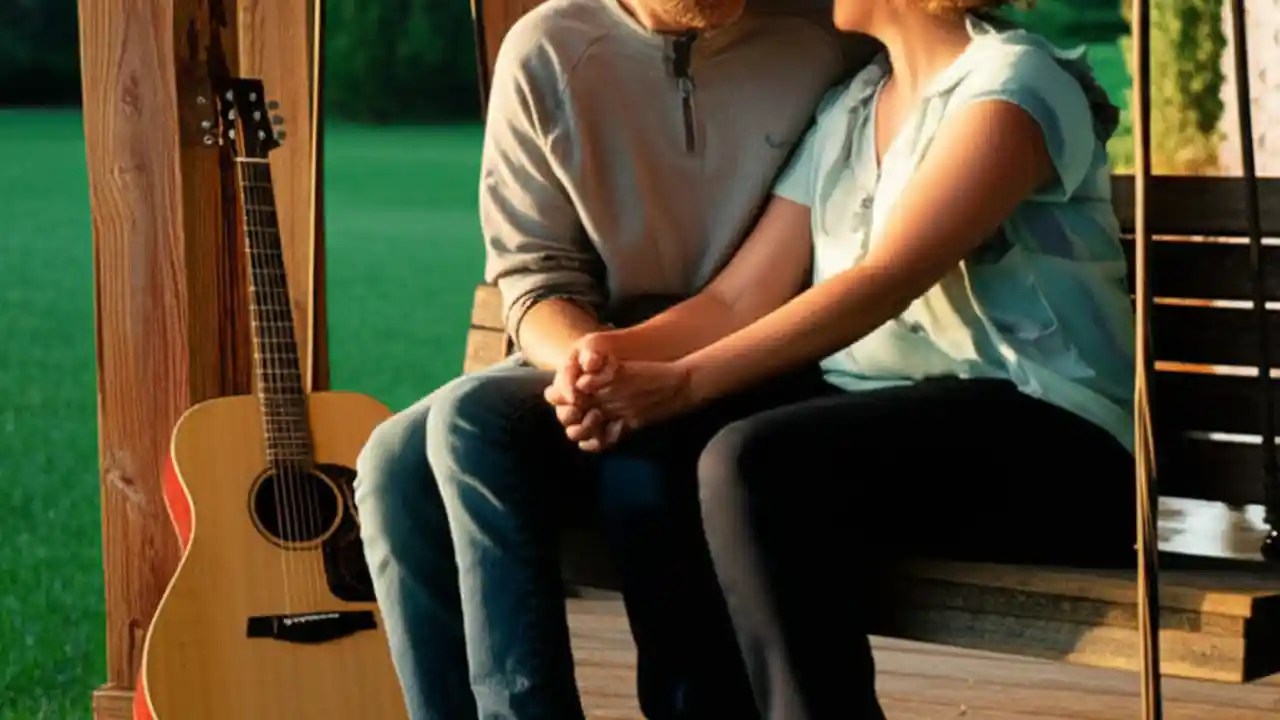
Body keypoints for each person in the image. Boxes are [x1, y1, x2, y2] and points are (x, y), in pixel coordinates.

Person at [549, 1, 1137, 718]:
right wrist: (604, 356)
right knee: (654, 452)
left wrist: (683, 383)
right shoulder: (854, 107)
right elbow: (738, 298)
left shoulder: (1015, 87)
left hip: (1051, 444)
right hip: (889, 436)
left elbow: (886, 278)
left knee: (754, 463)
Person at [352, 0, 876, 718]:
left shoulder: (828, 38)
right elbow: (536, 284)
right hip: (609, 346)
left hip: (762, 353)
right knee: (393, 464)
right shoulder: (548, 51)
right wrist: (590, 371)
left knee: (479, 419)